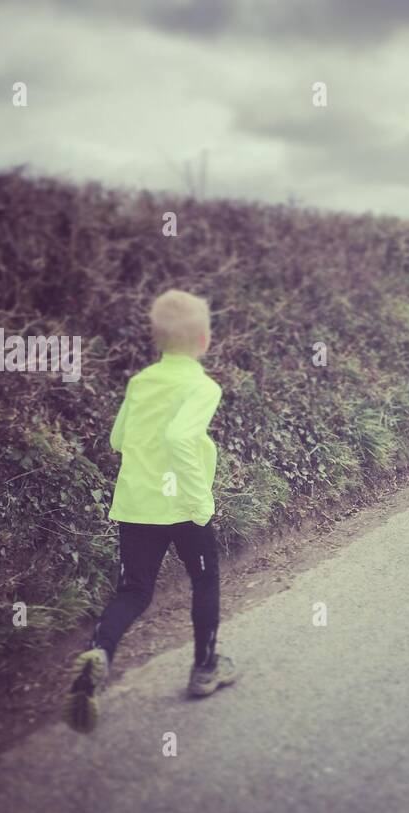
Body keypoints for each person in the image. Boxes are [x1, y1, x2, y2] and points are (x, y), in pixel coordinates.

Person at [65, 289, 238, 731]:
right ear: (204, 339)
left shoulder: (141, 382)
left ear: (155, 338)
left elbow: (118, 440)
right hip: (183, 506)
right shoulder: (202, 386)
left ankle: (100, 649)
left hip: (137, 504)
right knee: (204, 581)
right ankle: (205, 668)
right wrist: (200, 501)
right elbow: (181, 438)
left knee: (134, 591)